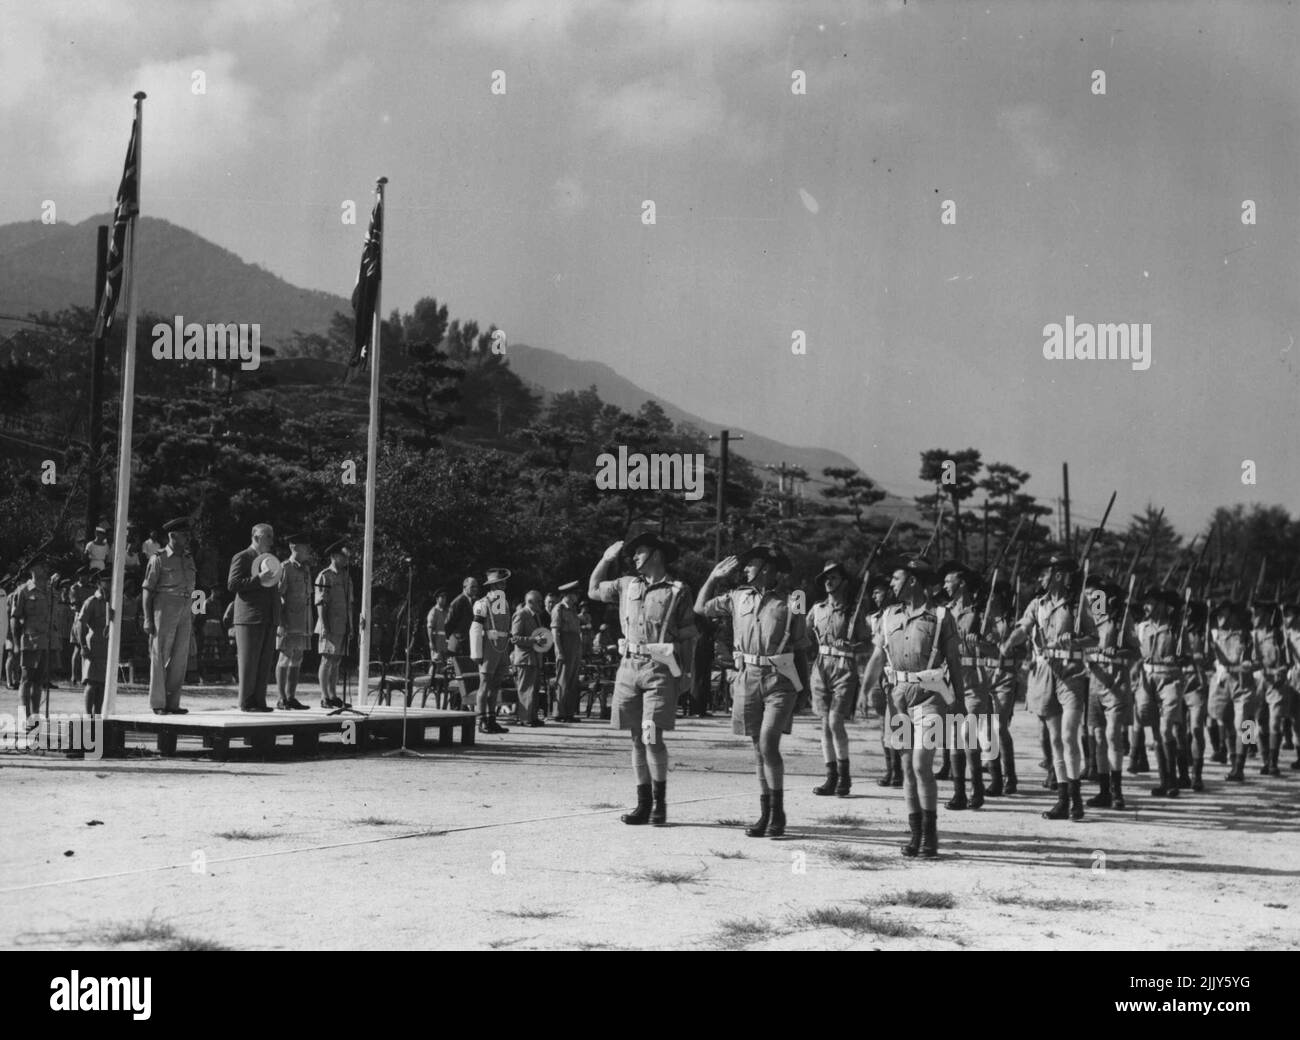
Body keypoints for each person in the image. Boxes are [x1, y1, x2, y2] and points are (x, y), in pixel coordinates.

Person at [697, 544, 809, 837]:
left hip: (780, 679)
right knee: (758, 749)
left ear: (767, 569)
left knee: (768, 743)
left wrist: (804, 687)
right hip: (747, 676)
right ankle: (766, 813)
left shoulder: (794, 600)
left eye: (751, 565)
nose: (745, 569)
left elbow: (801, 647)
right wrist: (712, 578)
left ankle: (779, 813)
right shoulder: (737, 597)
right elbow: (700, 609)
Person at [861, 556, 967, 857]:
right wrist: (865, 689)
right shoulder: (887, 616)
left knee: (922, 764)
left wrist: (957, 701)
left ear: (912, 581)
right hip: (898, 698)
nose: (891, 585)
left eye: (895, 579)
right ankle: (916, 834)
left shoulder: (941, 616)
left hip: (932, 694)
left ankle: (931, 836)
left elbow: (954, 663)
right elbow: (878, 657)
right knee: (907, 766)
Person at [590, 533, 697, 827]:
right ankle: (643, 804)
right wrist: (605, 559)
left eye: (641, 553)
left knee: (651, 735)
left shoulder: (678, 590)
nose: (635, 557)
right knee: (636, 737)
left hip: (660, 667)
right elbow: (593, 590)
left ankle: (660, 805)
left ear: (657, 556)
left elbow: (688, 635)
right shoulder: (627, 584)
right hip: (628, 667)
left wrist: (687, 673)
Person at [1001, 553, 1098, 821]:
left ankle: (1076, 798)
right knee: (1055, 739)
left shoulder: (1079, 604)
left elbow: (1095, 639)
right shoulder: (1037, 604)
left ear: (1056, 575)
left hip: (1071, 675)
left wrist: (1075, 642)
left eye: (1043, 574)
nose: (1039, 579)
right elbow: (1023, 628)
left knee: (1068, 736)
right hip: (1044, 673)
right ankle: (1062, 800)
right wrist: (1009, 643)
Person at [806, 561, 870, 798]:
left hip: (845, 667)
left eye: (832, 577)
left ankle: (845, 775)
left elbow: (868, 642)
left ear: (843, 581)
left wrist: (852, 645)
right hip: (821, 667)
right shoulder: (818, 609)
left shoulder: (854, 611)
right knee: (824, 723)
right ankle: (831, 777)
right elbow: (802, 633)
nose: (828, 582)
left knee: (835, 721)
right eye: (825, 579)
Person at [938, 560, 993, 810]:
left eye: (948, 581)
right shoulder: (944, 612)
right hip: (951, 679)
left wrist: (980, 642)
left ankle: (977, 789)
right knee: (953, 736)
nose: (944, 586)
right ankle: (959, 792)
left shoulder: (982, 612)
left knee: (967, 734)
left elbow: (997, 647)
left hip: (974, 679)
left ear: (961, 583)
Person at [1083, 577, 1138, 808]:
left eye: (1095, 595)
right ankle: (1104, 790)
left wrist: (1116, 650)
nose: (1090, 599)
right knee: (1097, 737)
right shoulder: (1086, 621)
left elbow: (1135, 652)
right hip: (1095, 683)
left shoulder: (1121, 619)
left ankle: (1117, 792)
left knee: (1113, 735)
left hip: (1116, 684)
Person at [141, 518, 197, 716]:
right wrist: (147, 619)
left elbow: (195, 589)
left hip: (185, 607)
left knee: (180, 657)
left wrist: (196, 613)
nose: (188, 538)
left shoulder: (189, 558)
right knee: (159, 655)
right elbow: (147, 590)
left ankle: (173, 703)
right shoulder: (159, 558)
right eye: (184, 534)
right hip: (165, 606)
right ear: (172, 536)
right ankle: (158, 702)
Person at [1135, 587, 1187, 797]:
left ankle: (1177, 778)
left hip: (1172, 680)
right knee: (1156, 732)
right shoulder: (1142, 628)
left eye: (1151, 602)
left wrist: (1177, 658)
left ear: (1164, 605)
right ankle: (1164, 780)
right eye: (1145, 602)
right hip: (1147, 680)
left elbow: (1190, 657)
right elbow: (1135, 652)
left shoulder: (1176, 628)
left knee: (1169, 730)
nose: (1146, 607)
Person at [228, 522, 280, 713]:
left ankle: (259, 700)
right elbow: (232, 584)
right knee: (248, 662)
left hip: (268, 617)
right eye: (268, 537)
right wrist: (258, 578)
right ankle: (246, 702)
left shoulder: (270, 559)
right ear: (257, 537)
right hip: (249, 617)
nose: (272, 541)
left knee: (264, 662)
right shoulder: (242, 557)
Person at [11, 557, 58, 719]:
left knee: (39, 682)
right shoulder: (23, 591)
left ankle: (35, 716)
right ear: (33, 570)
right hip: (29, 641)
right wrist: (16, 644)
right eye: (41, 566)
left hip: (44, 641)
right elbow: (15, 619)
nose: (45, 569)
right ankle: (24, 715)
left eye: (45, 566)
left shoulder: (49, 591)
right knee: (26, 680)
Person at [1250, 600, 1291, 777]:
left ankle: (1273, 763)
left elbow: (1288, 659)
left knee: (1275, 721)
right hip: (1257, 682)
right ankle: (1258, 755)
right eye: (1253, 613)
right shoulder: (1250, 636)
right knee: (1256, 722)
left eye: (1258, 613)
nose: (1254, 617)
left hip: (1276, 682)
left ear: (1267, 615)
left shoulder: (1279, 635)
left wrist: (1282, 670)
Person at [471, 568, 513, 733]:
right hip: (489, 646)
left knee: (495, 685)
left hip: (501, 646)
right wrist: (476, 653)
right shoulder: (482, 603)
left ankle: (491, 718)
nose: (503, 585)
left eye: (504, 582)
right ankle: (481, 719)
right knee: (485, 684)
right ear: (493, 585)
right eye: (500, 583)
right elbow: (475, 628)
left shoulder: (504, 603)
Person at [275, 532, 313, 710]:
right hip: (288, 622)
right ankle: (281, 698)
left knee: (298, 657)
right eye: (305, 547)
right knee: (285, 658)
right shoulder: (285, 568)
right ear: (294, 548)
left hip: (302, 622)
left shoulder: (306, 569)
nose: (308, 551)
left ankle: (291, 697)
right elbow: (278, 596)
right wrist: (281, 622)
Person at [315, 540, 354, 708]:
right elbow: (321, 603)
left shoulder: (346, 577)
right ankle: (324, 696)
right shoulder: (325, 575)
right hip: (329, 625)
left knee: (336, 661)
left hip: (342, 625)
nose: (347, 559)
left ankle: (333, 695)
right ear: (334, 556)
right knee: (327, 659)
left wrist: (350, 625)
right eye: (343, 556)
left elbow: (349, 603)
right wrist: (324, 626)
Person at [510, 590, 549, 726]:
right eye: (539, 601)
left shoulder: (536, 616)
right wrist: (534, 640)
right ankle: (524, 718)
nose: (542, 604)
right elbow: (514, 638)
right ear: (530, 602)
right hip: (525, 659)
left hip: (535, 658)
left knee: (534, 690)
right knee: (525, 689)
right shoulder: (521, 614)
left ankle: (532, 717)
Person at [76, 569, 112, 714]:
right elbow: (80, 624)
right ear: (99, 583)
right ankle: (87, 715)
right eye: (106, 581)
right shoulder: (91, 602)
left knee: (103, 684)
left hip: (107, 646)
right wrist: (83, 646)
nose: (109, 584)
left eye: (111, 581)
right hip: (94, 645)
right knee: (91, 683)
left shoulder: (113, 601)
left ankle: (97, 715)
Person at [551, 581, 584, 722]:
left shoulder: (573, 610)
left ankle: (569, 712)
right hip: (565, 645)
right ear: (568, 594)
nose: (577, 597)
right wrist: (559, 651)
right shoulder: (559, 609)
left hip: (575, 645)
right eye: (575, 594)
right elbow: (555, 632)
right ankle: (559, 713)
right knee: (563, 680)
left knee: (572, 681)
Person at [445, 577, 479, 656]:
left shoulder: (476, 601)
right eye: (472, 587)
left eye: (476, 587)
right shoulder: (458, 602)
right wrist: (455, 638)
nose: (475, 589)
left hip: (470, 643)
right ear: (464, 587)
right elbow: (448, 623)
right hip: (459, 645)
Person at [426, 588, 449, 664]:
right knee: (436, 664)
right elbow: (430, 629)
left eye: (445, 597)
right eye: (442, 597)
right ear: (437, 599)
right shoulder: (433, 612)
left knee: (445, 665)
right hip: (437, 642)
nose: (444, 599)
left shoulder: (446, 611)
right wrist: (431, 643)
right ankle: (431, 676)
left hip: (445, 643)